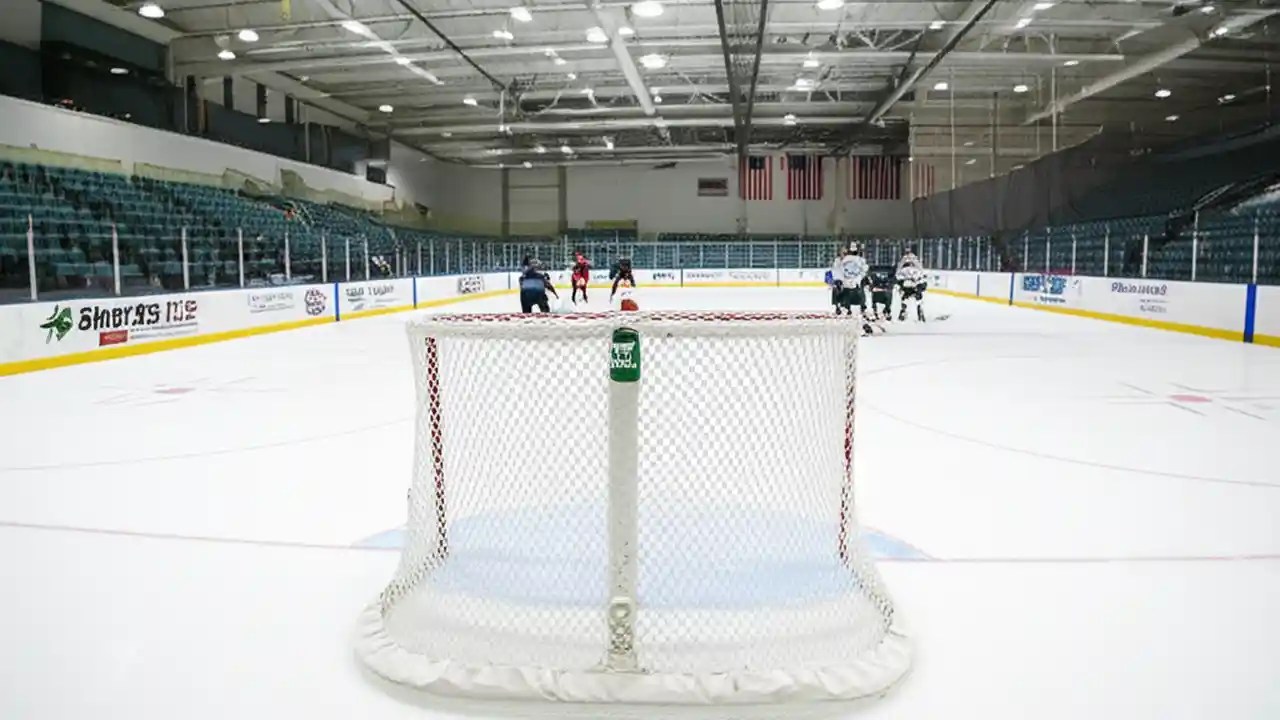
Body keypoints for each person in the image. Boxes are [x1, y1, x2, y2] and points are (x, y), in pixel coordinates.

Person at [831, 245, 873, 335]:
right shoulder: (861, 260)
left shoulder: (842, 260)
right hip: (856, 287)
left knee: (846, 309)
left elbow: (837, 272)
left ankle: (851, 328)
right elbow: (865, 271)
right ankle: (864, 325)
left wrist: (838, 282)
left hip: (846, 288)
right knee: (858, 308)